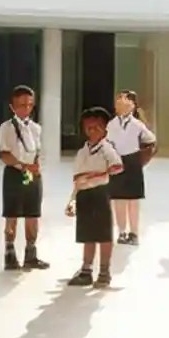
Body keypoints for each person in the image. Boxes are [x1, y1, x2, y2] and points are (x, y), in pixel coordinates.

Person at [65, 108, 124, 288]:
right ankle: (86, 270)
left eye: (97, 127)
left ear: (105, 129)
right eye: (88, 127)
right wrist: (72, 200)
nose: (92, 131)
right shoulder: (82, 152)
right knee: (87, 234)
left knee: (104, 234)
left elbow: (117, 167)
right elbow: (77, 179)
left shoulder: (107, 149)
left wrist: (99, 174)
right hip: (84, 195)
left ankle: (104, 271)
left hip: (100, 193)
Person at [0, 85, 48, 272]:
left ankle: (31, 254)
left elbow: (36, 150)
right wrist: (23, 166)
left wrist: (35, 167)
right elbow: (5, 155)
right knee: (12, 214)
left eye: (29, 105)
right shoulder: (6, 128)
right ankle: (10, 254)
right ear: (12, 106)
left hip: (31, 174)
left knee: (32, 213)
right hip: (14, 172)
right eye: (21, 105)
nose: (25, 109)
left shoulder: (36, 128)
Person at [106, 90, 156, 246]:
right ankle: (121, 231)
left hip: (133, 161)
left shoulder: (137, 124)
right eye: (118, 102)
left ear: (133, 106)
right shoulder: (112, 124)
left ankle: (134, 232)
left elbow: (151, 139)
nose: (120, 104)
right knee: (118, 199)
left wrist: (143, 154)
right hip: (116, 160)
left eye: (125, 102)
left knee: (133, 200)